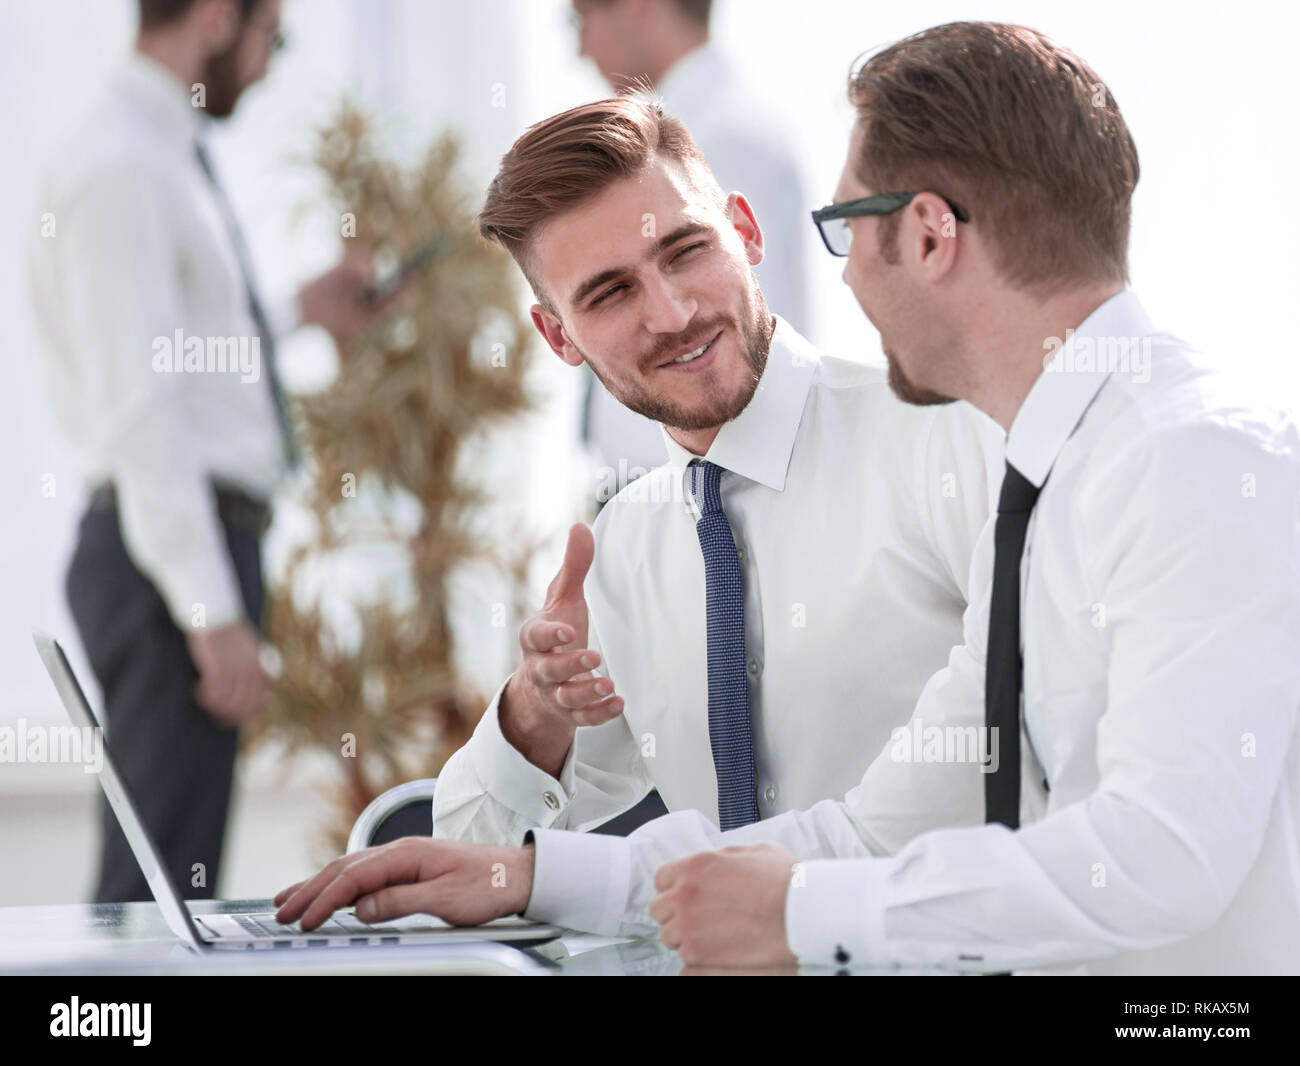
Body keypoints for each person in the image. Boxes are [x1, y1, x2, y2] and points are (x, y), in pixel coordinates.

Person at [277, 21, 1300, 976]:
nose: (845, 275)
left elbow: (1146, 853)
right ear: (560, 337)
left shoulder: (1090, 456)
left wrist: (806, 914)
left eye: (847, 224)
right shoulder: (1042, 474)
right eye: (609, 292)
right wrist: (537, 807)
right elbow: (864, 833)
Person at [427, 93, 1000, 847]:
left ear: (747, 232)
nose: (671, 314)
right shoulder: (623, 550)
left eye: (685, 251)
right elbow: (471, 851)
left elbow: (1036, 727)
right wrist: (535, 713)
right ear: (558, 337)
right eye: (610, 292)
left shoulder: (942, 435)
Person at [28, 0, 394, 903]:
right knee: (156, 891)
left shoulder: (158, 154)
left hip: (174, 543)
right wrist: (208, 608)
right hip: (169, 552)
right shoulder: (125, 166)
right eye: (275, 36)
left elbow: (174, 363)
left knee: (166, 875)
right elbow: (138, 407)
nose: (270, 66)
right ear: (220, 18)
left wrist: (298, 312)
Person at [572, 0, 813, 500]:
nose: (581, 48)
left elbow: (752, 342)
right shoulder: (691, 127)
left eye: (581, 18)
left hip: (699, 494)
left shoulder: (720, 135)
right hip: (661, 488)